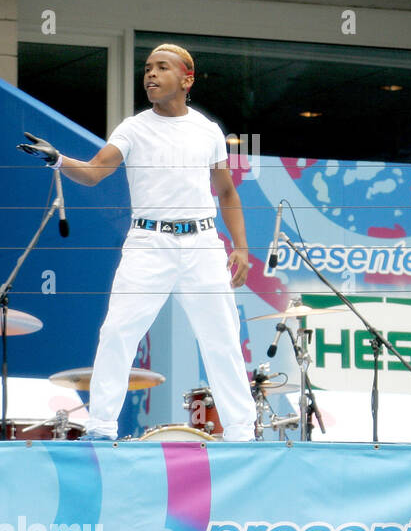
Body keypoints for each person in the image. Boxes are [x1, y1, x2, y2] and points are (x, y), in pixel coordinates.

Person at [16, 43, 256, 441]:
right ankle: (101, 428)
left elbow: (227, 192)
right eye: (147, 68)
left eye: (162, 68)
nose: (150, 74)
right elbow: (95, 172)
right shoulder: (133, 128)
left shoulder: (208, 131)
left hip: (201, 243)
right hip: (148, 242)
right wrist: (58, 159)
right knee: (117, 332)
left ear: (186, 78)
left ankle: (243, 433)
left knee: (222, 338)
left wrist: (242, 247)